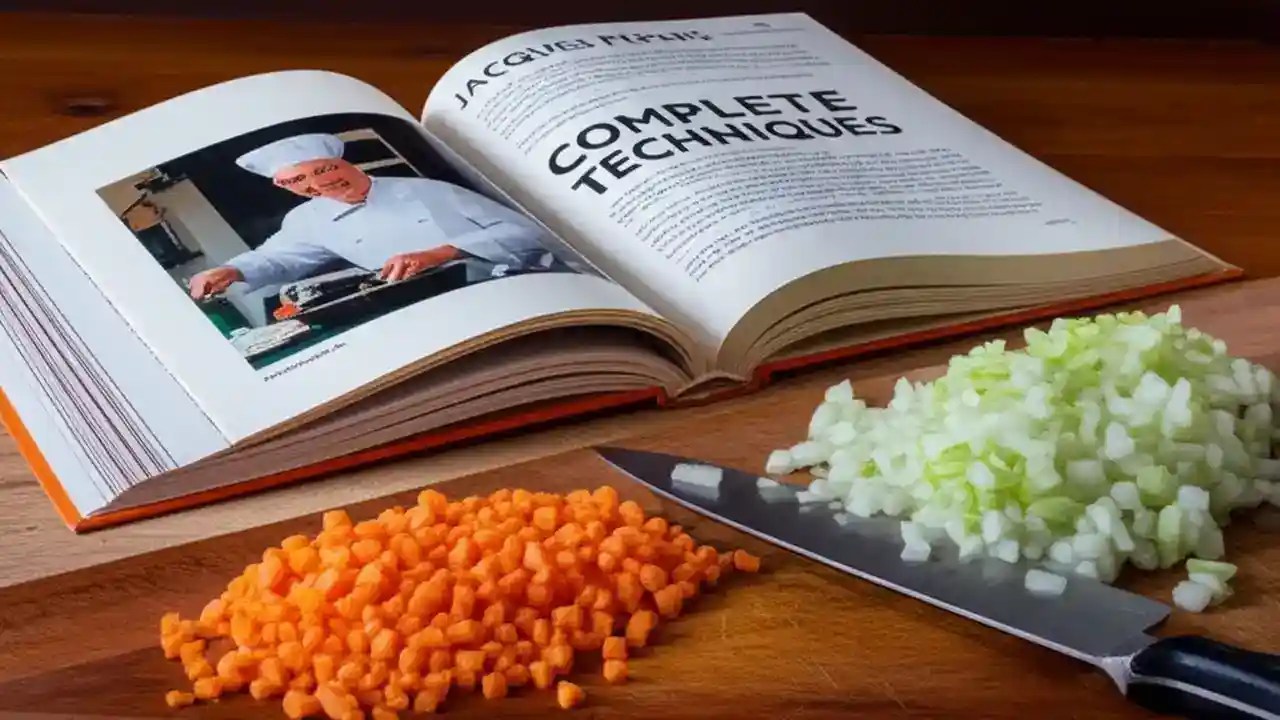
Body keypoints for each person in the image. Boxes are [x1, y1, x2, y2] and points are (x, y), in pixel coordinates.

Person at [188, 132, 562, 300]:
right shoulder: (307, 219)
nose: (317, 184)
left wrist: (442, 252)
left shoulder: (426, 190)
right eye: (296, 181)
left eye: (322, 170)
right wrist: (230, 270)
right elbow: (277, 258)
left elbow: (525, 233)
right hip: (424, 302)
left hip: (509, 285)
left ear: (343, 163)